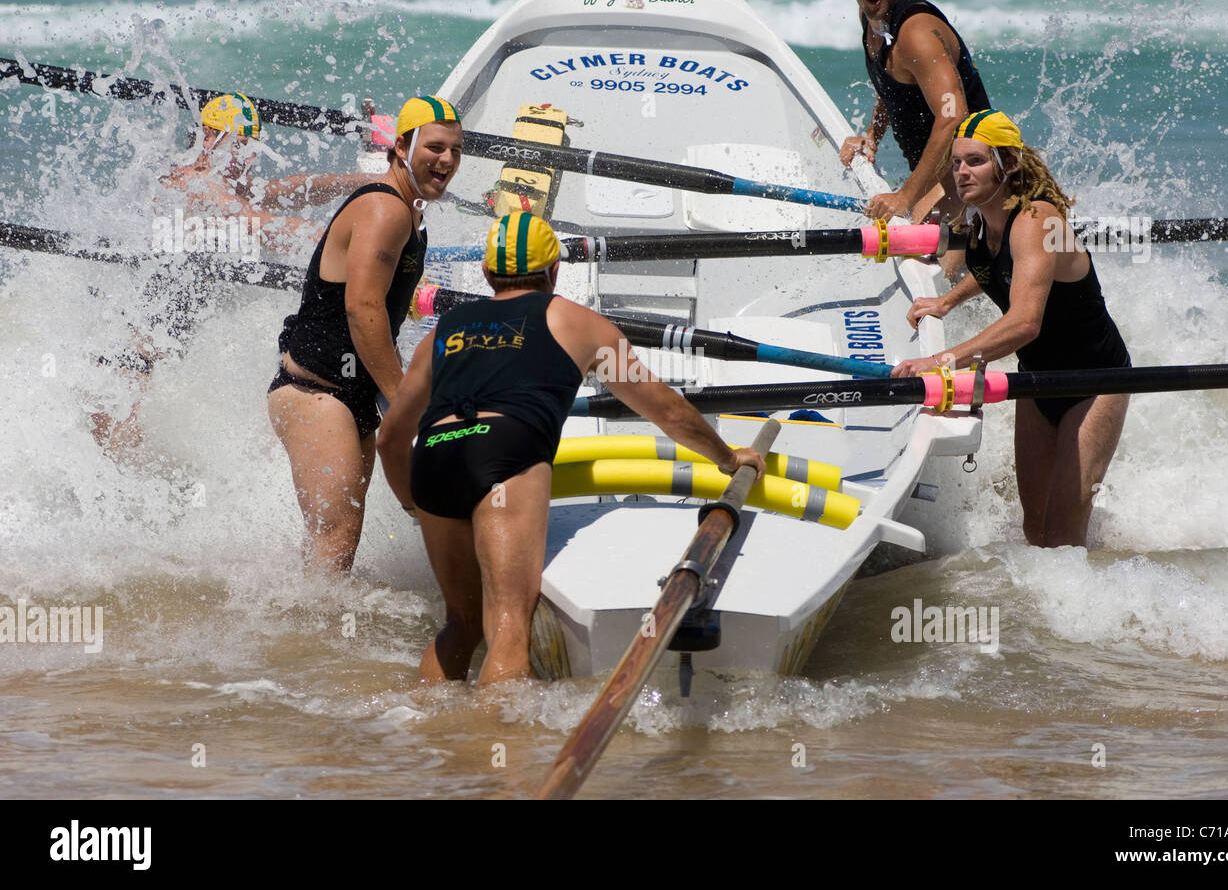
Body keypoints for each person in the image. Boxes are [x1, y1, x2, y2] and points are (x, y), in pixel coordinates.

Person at [377, 213, 767, 686]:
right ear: (554, 272)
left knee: (460, 624)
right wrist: (728, 457)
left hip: (434, 455)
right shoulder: (578, 323)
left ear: (485, 274)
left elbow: (390, 438)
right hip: (505, 450)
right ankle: (496, 753)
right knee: (507, 627)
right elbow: (664, 409)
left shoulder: (445, 330)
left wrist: (412, 504)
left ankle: (419, 739)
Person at [891, 110, 1129, 548]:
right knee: (1034, 531)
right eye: (956, 162)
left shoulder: (1038, 220)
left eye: (976, 161)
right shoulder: (984, 222)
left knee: (1061, 535)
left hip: (1095, 381)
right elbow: (996, 270)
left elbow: (1024, 323)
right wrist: (946, 301)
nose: (962, 173)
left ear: (1010, 164)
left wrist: (940, 362)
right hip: (1037, 381)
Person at [91, 92, 371, 450]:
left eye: (251, 147)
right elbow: (258, 224)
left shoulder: (229, 184)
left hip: (162, 341)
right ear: (208, 136)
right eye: (238, 145)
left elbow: (294, 189)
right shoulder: (198, 183)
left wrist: (361, 181)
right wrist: (335, 240)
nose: (247, 158)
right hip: (134, 346)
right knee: (118, 455)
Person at [268, 95, 463, 574]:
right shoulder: (385, 209)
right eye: (435, 148)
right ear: (401, 147)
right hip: (316, 393)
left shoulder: (411, 214)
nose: (447, 160)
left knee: (334, 552)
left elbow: (385, 315)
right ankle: (311, 642)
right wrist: (403, 401)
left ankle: (304, 636)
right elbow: (363, 307)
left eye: (456, 151)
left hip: (348, 395)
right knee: (333, 545)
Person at [837, 0, 992, 226]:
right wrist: (872, 136)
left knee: (928, 258)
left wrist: (906, 197)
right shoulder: (873, 16)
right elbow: (893, 82)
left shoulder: (916, 34)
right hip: (941, 170)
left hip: (972, 172)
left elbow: (953, 117)